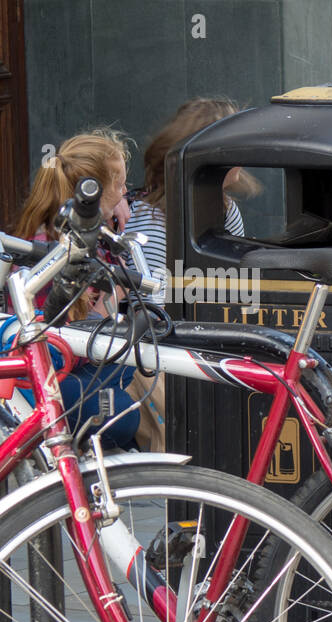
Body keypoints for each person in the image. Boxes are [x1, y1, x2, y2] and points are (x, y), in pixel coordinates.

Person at [11, 130, 140, 448]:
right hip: (40, 373)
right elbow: (60, 343)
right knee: (123, 412)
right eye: (119, 185)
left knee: (127, 369)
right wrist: (112, 302)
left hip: (74, 362)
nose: (125, 193)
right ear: (93, 192)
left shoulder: (80, 233)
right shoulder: (49, 250)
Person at [125, 97, 249, 308]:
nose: (244, 155)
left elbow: (239, 288)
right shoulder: (152, 223)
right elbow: (151, 310)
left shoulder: (227, 209)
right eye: (235, 146)